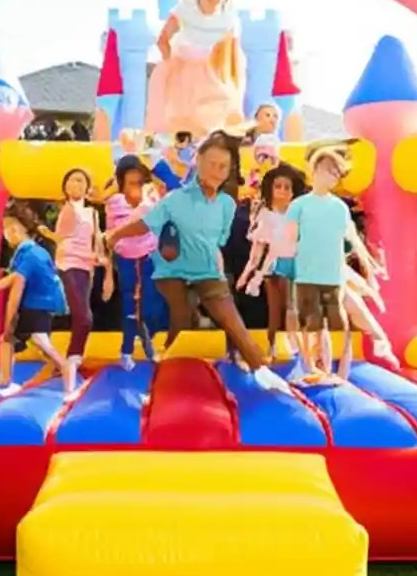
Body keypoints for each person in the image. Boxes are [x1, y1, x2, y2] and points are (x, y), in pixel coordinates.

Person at [103, 132, 286, 392]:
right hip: (173, 271)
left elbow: (218, 240)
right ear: (198, 162)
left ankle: (261, 370)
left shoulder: (226, 204)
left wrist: (215, 263)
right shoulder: (176, 199)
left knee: (231, 319)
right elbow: (144, 223)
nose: (217, 171)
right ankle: (160, 361)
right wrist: (115, 235)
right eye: (212, 164)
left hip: (206, 271)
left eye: (223, 166)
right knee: (180, 314)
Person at [285, 146, 370, 381]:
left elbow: (349, 239)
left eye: (336, 173)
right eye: (328, 170)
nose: (332, 176)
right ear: (315, 170)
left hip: (332, 276)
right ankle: (312, 369)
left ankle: (340, 372)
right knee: (310, 325)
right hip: (306, 275)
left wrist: (365, 267)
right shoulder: (299, 205)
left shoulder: (339, 207)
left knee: (339, 325)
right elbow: (290, 239)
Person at [146, 0, 246, 140]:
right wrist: (171, 65)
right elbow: (163, 39)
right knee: (182, 121)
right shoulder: (187, 7)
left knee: (211, 122)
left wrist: (234, 93)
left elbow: (233, 62)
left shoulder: (229, 20)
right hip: (184, 73)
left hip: (212, 76)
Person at [0, 204, 76, 394]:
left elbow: (18, 284)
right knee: (28, 341)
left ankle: (64, 368)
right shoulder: (34, 252)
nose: (6, 233)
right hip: (42, 305)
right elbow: (15, 276)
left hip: (34, 305)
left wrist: (9, 317)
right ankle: (7, 378)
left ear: (17, 229)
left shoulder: (30, 254)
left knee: (18, 339)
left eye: (8, 228)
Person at [236, 163, 309, 378]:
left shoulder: (298, 215)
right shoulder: (266, 216)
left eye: (287, 187)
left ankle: (296, 351)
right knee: (274, 309)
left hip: (294, 263)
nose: (283, 191)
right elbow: (257, 251)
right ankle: (273, 348)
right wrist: (247, 274)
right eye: (278, 186)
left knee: (292, 307)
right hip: (273, 264)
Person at [104, 155, 166, 370]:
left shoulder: (151, 196)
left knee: (152, 306)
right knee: (130, 305)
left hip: (149, 255)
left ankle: (147, 341)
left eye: (138, 179)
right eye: (130, 179)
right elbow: (116, 231)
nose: (135, 184)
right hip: (127, 258)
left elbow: (155, 219)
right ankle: (127, 350)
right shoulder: (115, 202)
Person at [53, 168, 105, 372]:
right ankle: (72, 359)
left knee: (81, 316)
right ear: (65, 187)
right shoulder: (67, 210)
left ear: (87, 187)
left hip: (86, 266)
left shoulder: (92, 213)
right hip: (68, 265)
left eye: (81, 181)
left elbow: (97, 239)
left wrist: (101, 259)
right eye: (72, 180)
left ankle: (72, 358)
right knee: (84, 316)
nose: (76, 184)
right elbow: (61, 241)